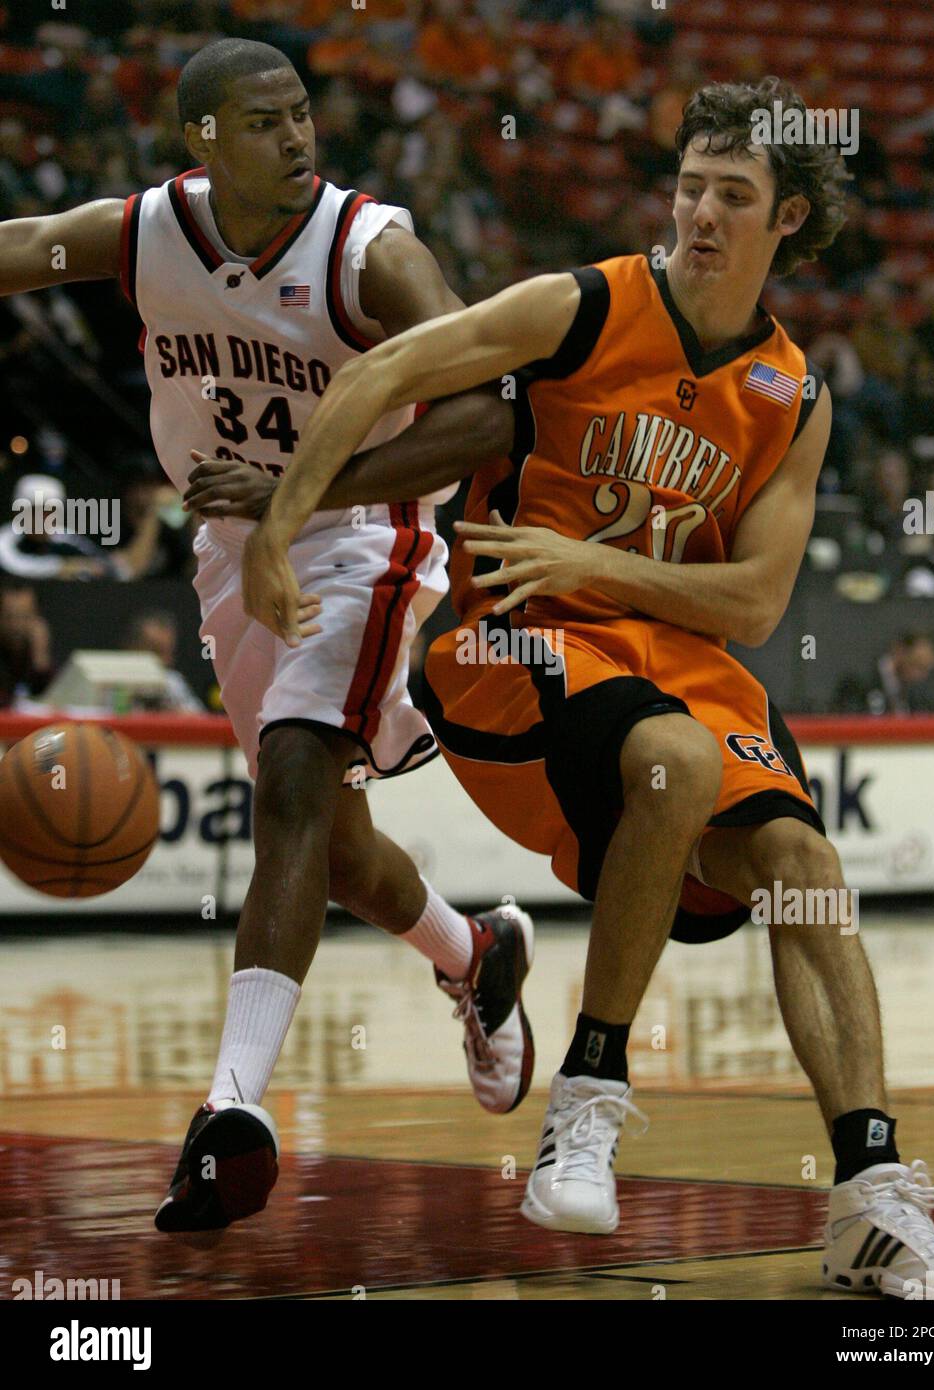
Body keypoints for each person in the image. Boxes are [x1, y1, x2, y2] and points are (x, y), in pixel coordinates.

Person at [234, 77, 934, 1297]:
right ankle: (588, 1097)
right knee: (677, 763)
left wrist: (592, 555)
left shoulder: (793, 397)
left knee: (805, 872)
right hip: (510, 639)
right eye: (689, 185)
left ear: (786, 220)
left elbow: (752, 606)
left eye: (731, 196)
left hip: (668, 650)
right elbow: (386, 374)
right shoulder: (583, 306)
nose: (698, 211)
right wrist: (281, 520)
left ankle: (870, 1195)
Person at [0, 37, 537, 1239]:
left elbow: (489, 405)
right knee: (334, 850)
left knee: (295, 776)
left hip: (369, 541)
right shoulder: (147, 233)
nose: (296, 138)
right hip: (233, 556)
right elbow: (22, 250)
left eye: (301, 114)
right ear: (202, 137)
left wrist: (306, 478)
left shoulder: (370, 250)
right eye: (263, 121)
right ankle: (476, 951)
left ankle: (233, 1107)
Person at [831, 631, 934, 716]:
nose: (921, 675)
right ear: (899, 651)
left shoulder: (917, 695)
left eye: (926, 669)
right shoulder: (859, 682)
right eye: (916, 664)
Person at [123, 609, 206, 712]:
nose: (165, 661)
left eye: (168, 652)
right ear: (133, 647)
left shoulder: (173, 683)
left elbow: (200, 720)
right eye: (155, 650)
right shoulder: (112, 681)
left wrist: (174, 713)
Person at [0, 582, 54, 706]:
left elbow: (50, 700)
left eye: (25, 616)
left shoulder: (36, 648)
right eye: (9, 616)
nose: (16, 625)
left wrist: (41, 657)